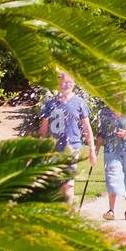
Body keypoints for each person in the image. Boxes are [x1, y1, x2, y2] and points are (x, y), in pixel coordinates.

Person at [38, 72, 95, 201]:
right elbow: (43, 129)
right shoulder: (50, 104)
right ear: (58, 84)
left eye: (69, 82)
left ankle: (69, 214)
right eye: (63, 82)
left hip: (72, 147)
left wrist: (92, 150)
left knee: (68, 185)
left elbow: (87, 128)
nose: (66, 85)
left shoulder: (79, 103)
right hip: (53, 149)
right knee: (57, 184)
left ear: (74, 84)